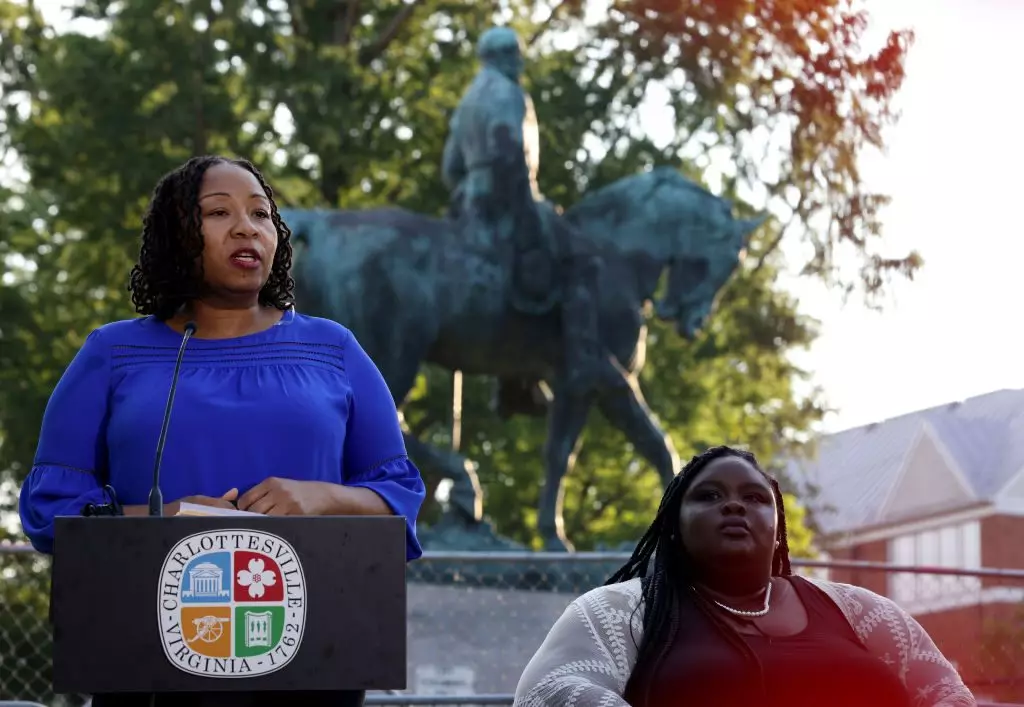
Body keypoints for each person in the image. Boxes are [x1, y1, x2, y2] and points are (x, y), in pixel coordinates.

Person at [18, 155, 426, 707]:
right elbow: (50, 510)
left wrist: (321, 497)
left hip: (314, 660)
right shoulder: (112, 354)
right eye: (218, 213)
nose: (246, 227)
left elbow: (399, 499)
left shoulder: (335, 350)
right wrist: (167, 519)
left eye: (261, 214)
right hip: (149, 663)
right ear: (178, 234)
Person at [513, 446, 976, 707]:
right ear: (673, 526)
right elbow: (549, 692)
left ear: (778, 531)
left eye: (755, 498)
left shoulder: (859, 611)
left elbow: (947, 694)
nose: (734, 505)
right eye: (709, 495)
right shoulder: (621, 610)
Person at [441, 26, 625, 397]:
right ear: (504, 56)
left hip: (471, 203)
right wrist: (528, 204)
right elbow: (510, 154)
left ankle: (517, 381)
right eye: (516, 54)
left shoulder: (468, 101)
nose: (520, 62)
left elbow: (450, 167)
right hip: (510, 197)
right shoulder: (508, 94)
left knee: (514, 275)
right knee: (581, 257)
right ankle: (580, 359)